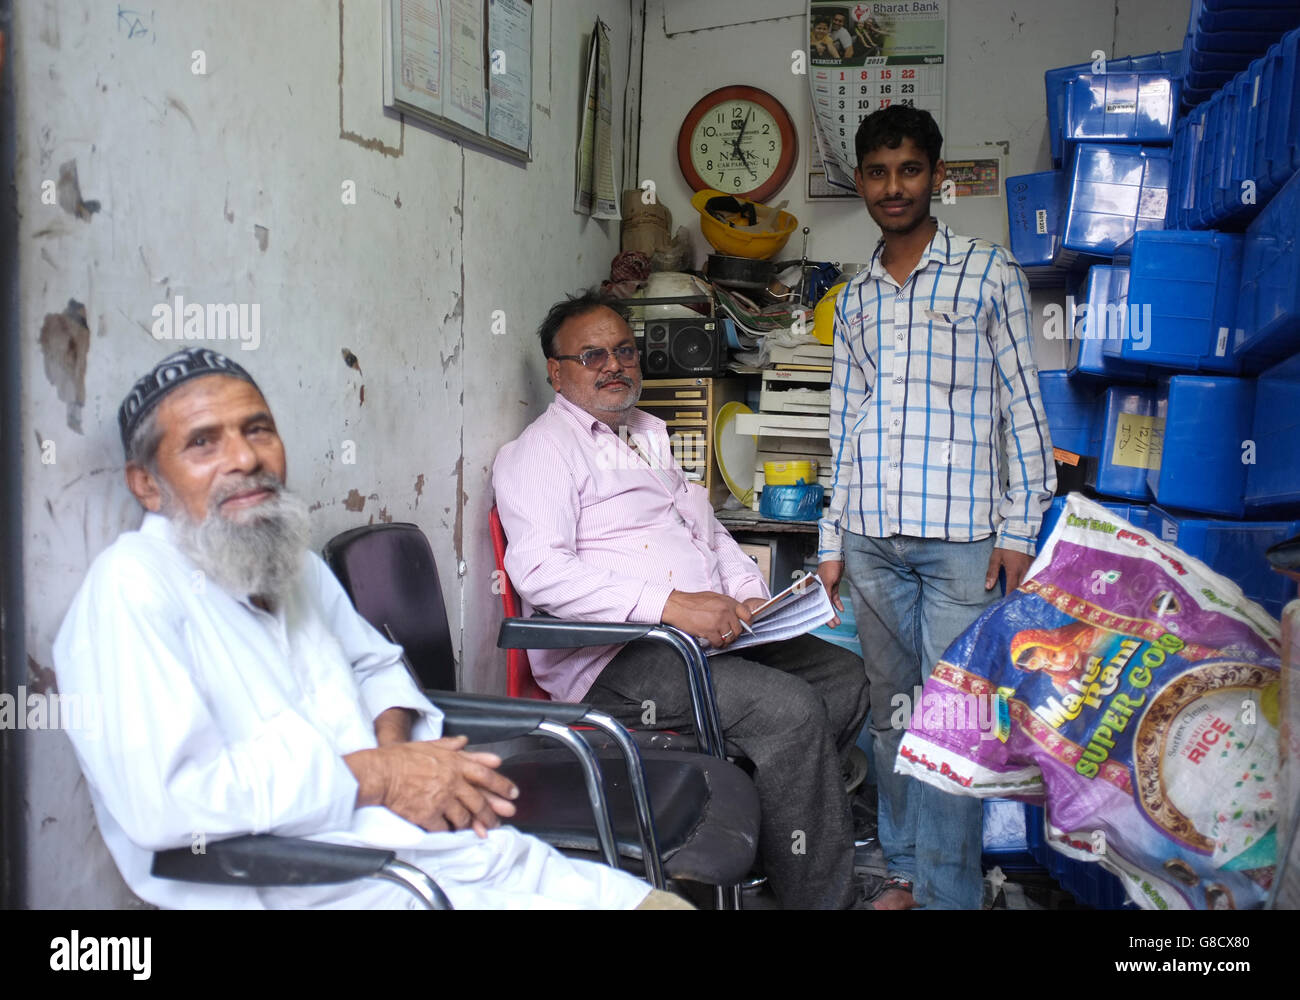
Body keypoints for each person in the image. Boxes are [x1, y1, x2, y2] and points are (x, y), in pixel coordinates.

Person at [53, 347, 673, 910]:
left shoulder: (285, 561)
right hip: (326, 887)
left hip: (432, 850)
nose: (244, 458)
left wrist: (395, 755)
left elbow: (376, 667)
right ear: (145, 484)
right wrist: (382, 778)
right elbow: (167, 803)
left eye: (258, 430)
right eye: (202, 444)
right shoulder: (129, 589)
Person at [493, 294, 871, 909]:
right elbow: (539, 571)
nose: (613, 365)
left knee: (845, 677)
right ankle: (820, 899)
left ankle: (775, 849)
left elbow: (708, 532)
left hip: (705, 634)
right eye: (592, 355)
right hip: (617, 656)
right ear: (556, 372)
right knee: (790, 712)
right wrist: (670, 604)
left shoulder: (648, 435)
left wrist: (751, 597)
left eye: (623, 350)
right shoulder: (540, 453)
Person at [816, 106, 1055, 910]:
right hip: (871, 539)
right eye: (879, 172)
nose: (893, 187)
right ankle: (905, 873)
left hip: (962, 542)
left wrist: (1020, 528)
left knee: (952, 725)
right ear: (861, 181)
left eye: (909, 170)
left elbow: (1025, 410)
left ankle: (951, 895)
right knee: (890, 718)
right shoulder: (853, 299)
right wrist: (829, 537)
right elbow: (843, 423)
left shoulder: (989, 274)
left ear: (935, 177)